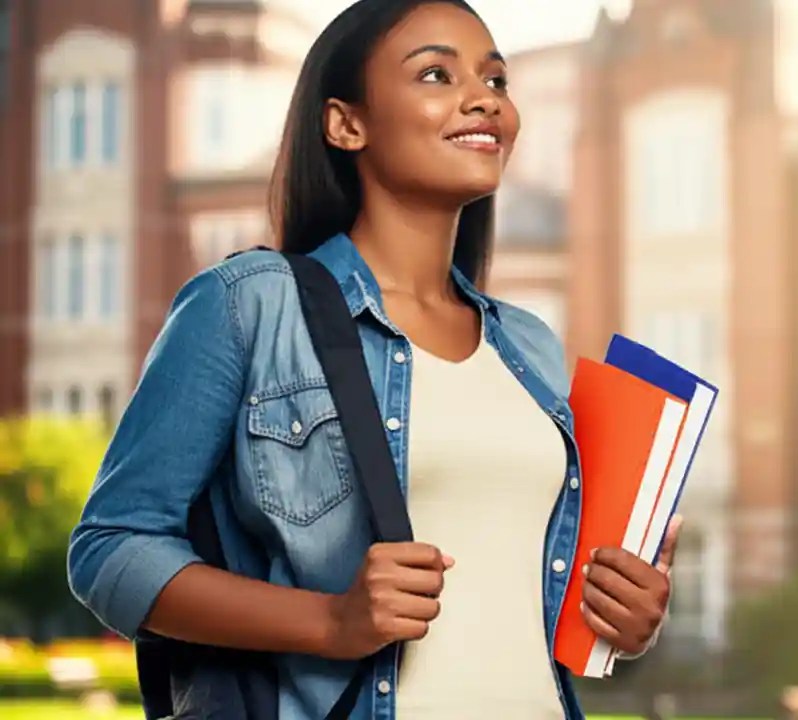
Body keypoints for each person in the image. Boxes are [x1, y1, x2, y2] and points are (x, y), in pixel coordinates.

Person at [67, 1, 680, 718]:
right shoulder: (249, 305)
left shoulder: (531, 347)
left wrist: (624, 617)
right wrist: (330, 622)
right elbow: (110, 549)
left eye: (497, 81)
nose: (483, 98)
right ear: (345, 124)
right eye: (435, 74)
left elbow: (525, 604)